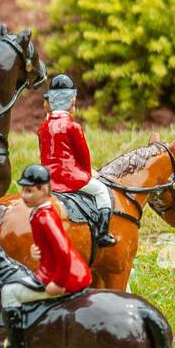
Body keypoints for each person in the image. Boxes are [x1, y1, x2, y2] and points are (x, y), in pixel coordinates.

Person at [1, 165, 92, 348]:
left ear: (42, 190)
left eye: (28, 191)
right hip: (52, 270)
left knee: (9, 292)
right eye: (23, 190)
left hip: (64, 277)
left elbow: (64, 251)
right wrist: (39, 251)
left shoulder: (45, 217)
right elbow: (53, 245)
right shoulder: (41, 212)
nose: (23, 195)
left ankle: (17, 342)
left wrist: (58, 284)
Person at [37, 74, 116, 247]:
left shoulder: (43, 127)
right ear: (72, 102)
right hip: (70, 177)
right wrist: (88, 174)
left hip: (49, 179)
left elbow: (43, 154)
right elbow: (83, 155)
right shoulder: (73, 126)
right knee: (102, 191)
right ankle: (103, 233)